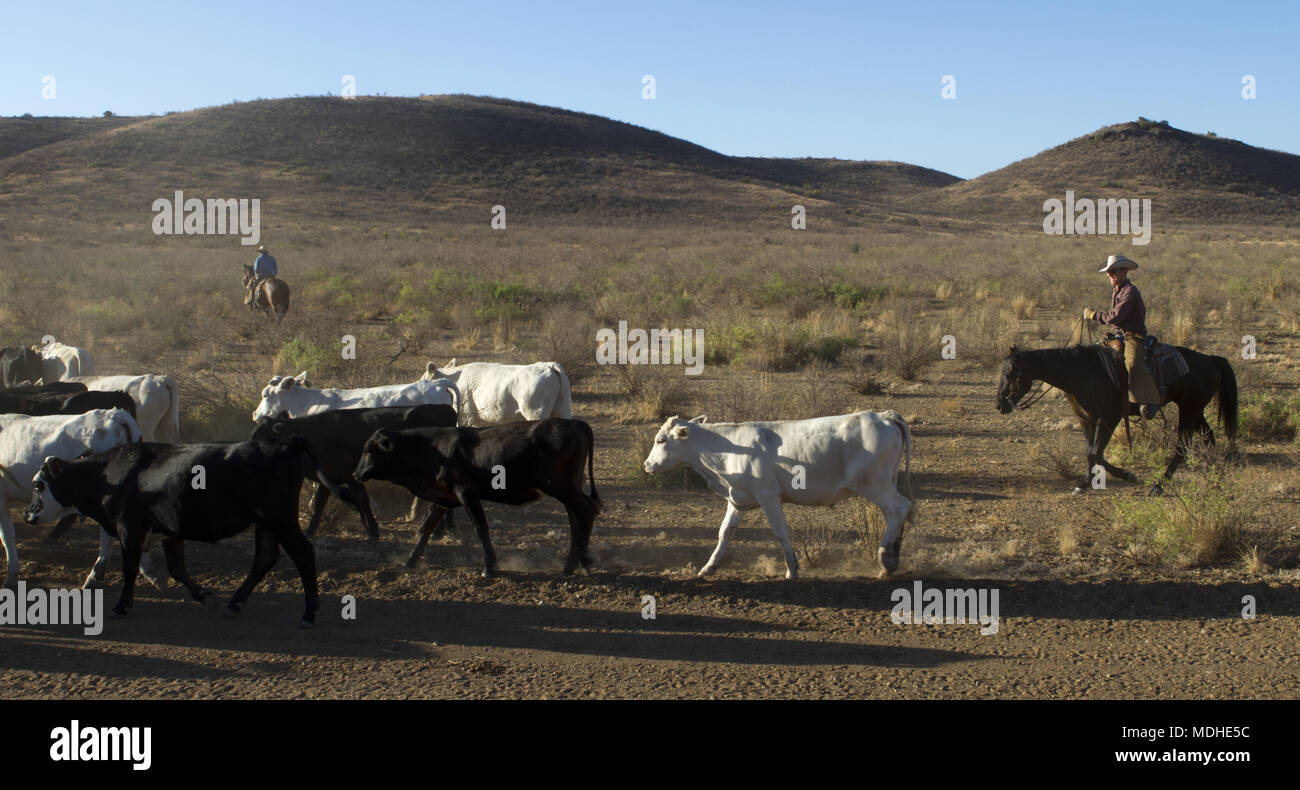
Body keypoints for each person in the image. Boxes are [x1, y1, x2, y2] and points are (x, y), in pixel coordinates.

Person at [1083, 254, 1160, 419]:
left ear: (1124, 271)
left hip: (1134, 337)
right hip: (1120, 335)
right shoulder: (1118, 290)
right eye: (1109, 272)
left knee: (1132, 363)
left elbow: (1114, 317)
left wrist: (1093, 315)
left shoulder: (1130, 292)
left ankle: (1148, 401)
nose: (1109, 275)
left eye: (1113, 271)